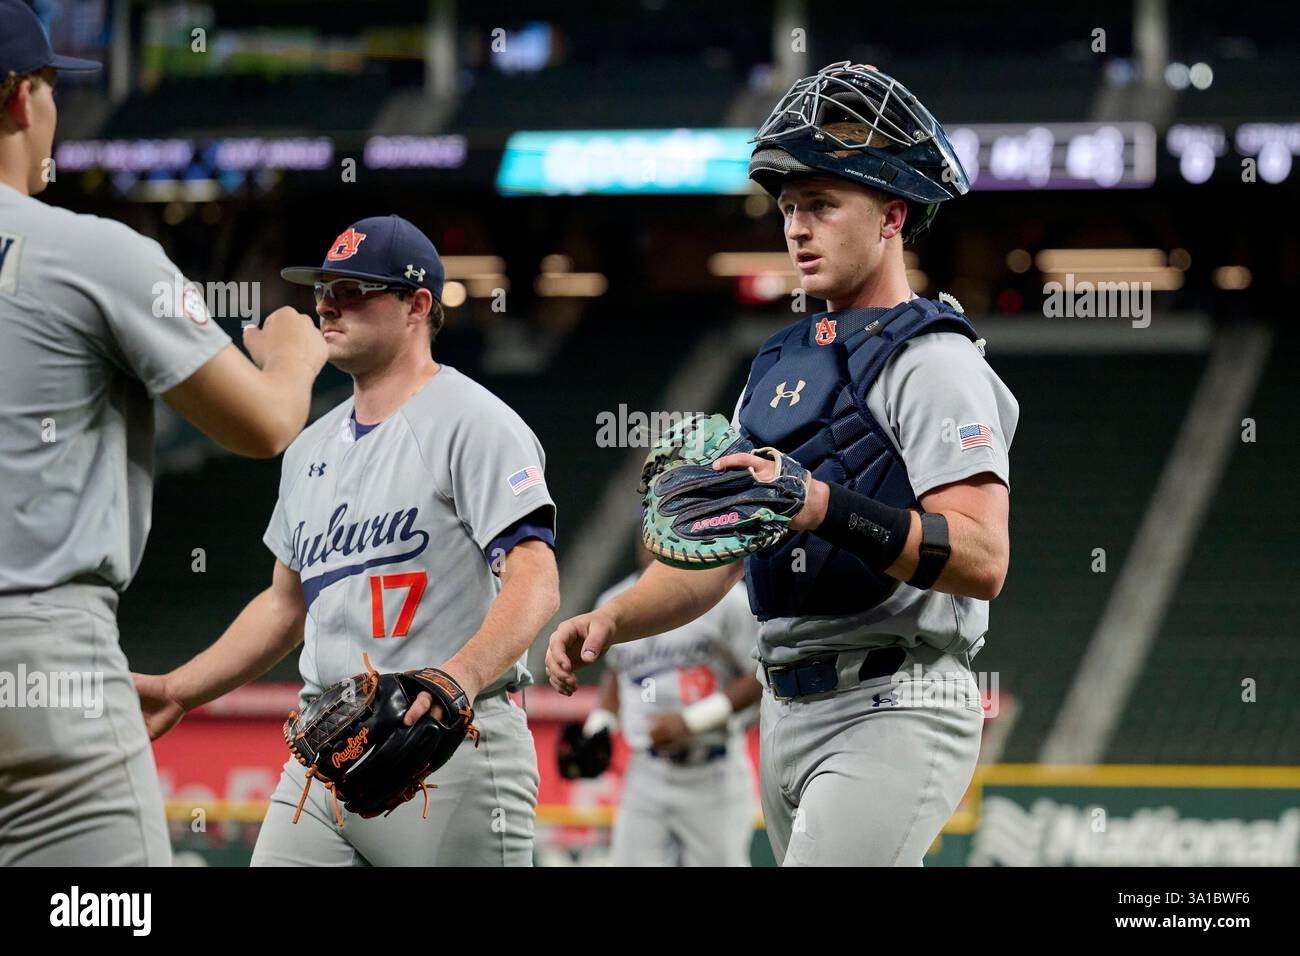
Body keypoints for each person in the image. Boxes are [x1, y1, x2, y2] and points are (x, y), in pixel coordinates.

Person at [547, 62, 1018, 866]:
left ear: (892, 216)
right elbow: (717, 561)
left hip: (895, 699)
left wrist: (820, 503)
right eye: (790, 208)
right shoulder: (774, 366)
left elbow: (982, 559)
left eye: (823, 205)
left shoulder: (934, 359)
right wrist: (613, 619)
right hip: (784, 705)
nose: (797, 227)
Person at [0, 0, 326, 867]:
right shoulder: (90, 251)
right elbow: (263, 427)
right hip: (42, 658)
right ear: (19, 101)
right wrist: (291, 357)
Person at [135, 215, 560, 866]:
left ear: (418, 306)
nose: (328, 302)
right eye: (324, 286)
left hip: (449, 748)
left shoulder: (473, 422)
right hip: (324, 749)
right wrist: (179, 689)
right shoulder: (307, 445)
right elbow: (284, 604)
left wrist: (459, 677)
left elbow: (536, 576)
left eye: (357, 288)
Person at [581, 544, 761, 866]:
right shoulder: (612, 603)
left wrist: (692, 722)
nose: (654, 543)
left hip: (712, 770)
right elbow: (617, 674)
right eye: (649, 532)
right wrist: (598, 728)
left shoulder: (727, 598)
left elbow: (759, 675)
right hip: (645, 772)